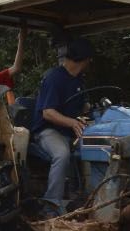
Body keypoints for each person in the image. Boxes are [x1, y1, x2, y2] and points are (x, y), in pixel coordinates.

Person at [30, 37, 95, 212]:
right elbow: (48, 112)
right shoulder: (54, 78)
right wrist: (73, 122)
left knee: (100, 146)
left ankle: (88, 199)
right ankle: (51, 206)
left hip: (70, 130)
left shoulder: (79, 80)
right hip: (48, 130)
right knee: (62, 154)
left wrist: (90, 111)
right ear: (85, 59)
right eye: (89, 60)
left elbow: (82, 106)